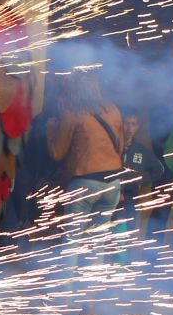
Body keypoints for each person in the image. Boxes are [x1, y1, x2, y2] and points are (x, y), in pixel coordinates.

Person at [46, 72, 124, 260]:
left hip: (85, 181)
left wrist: (50, 131)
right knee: (98, 240)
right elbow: (120, 148)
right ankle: (92, 286)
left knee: (72, 241)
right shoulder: (112, 109)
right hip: (113, 182)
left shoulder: (72, 114)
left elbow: (57, 153)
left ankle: (65, 286)